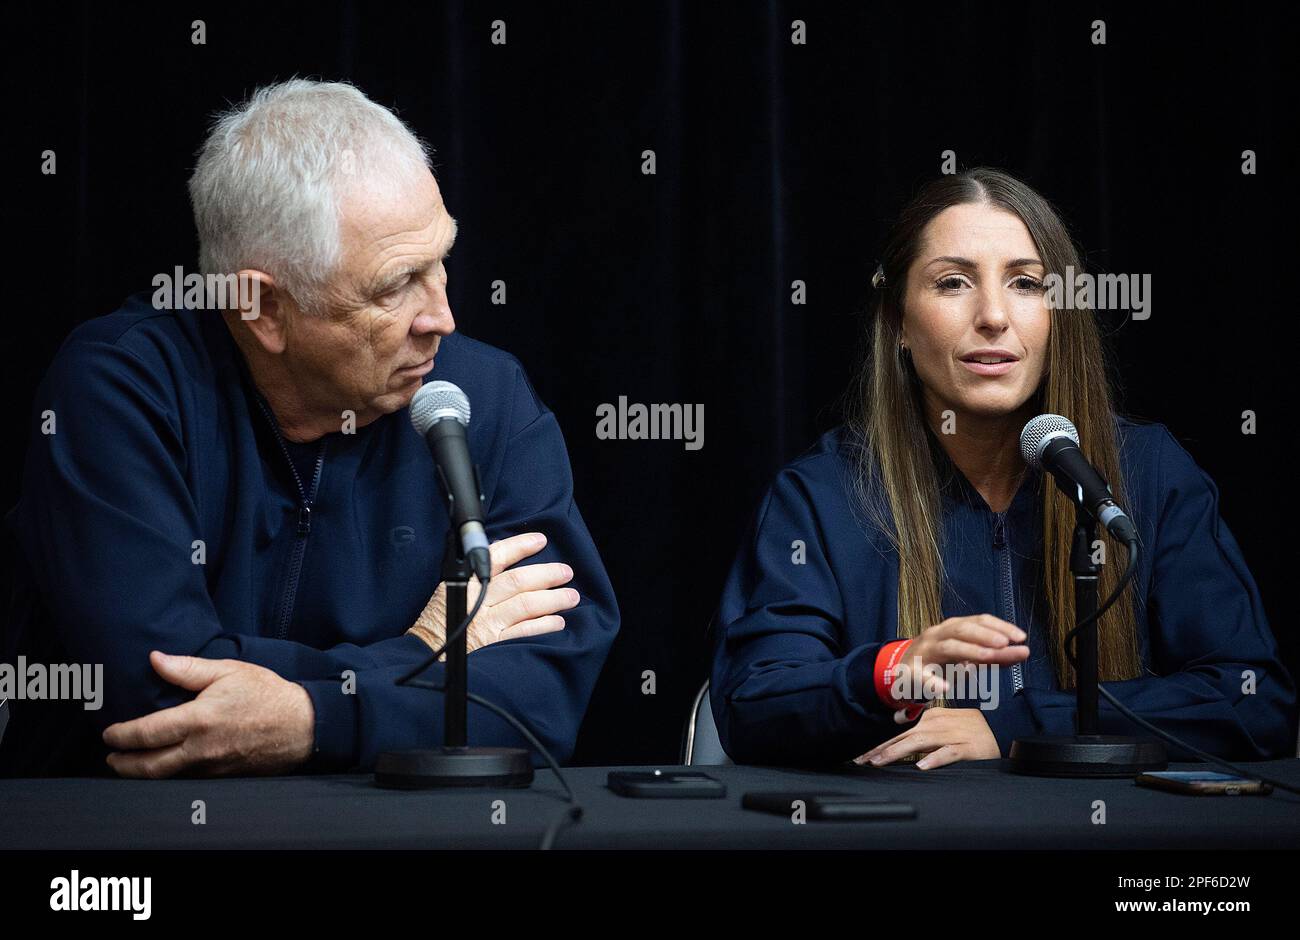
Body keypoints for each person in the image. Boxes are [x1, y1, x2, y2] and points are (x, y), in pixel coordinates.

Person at [1, 80, 619, 777]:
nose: (441, 316)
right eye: (395, 285)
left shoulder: (484, 397)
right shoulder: (118, 389)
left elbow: (546, 696)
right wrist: (423, 654)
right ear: (264, 309)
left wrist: (312, 718)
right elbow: (157, 697)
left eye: (440, 260)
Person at [711, 168, 1296, 769]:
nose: (993, 315)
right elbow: (753, 704)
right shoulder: (821, 494)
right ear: (897, 324)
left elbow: (1254, 699)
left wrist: (1016, 727)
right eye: (953, 282)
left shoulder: (1147, 473)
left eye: (1025, 283)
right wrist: (887, 673)